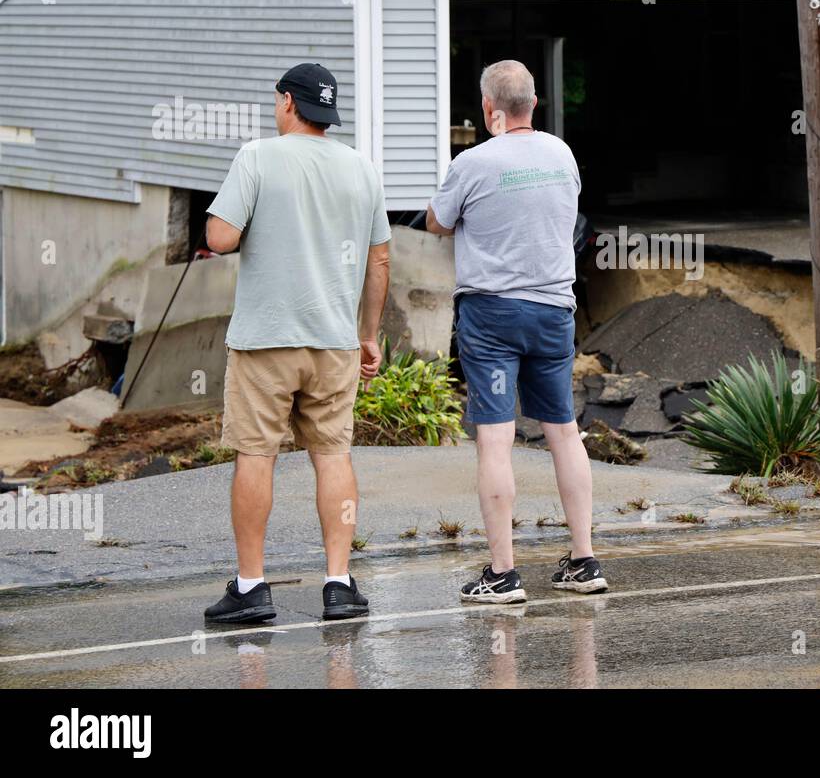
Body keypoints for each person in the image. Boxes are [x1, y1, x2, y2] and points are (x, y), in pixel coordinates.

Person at [203, 62, 391, 623]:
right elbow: (380, 257)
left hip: (266, 340)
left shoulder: (258, 157)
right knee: (332, 454)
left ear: (288, 102)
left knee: (256, 455)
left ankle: (252, 587)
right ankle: (338, 584)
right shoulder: (362, 167)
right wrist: (368, 333)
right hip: (334, 340)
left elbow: (220, 238)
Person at [427, 59, 606, 604]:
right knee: (563, 432)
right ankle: (583, 560)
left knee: (496, 438)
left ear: (489, 109)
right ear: (534, 105)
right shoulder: (563, 154)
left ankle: (503, 574)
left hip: (493, 317)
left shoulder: (473, 162)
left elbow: (437, 222)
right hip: (555, 312)